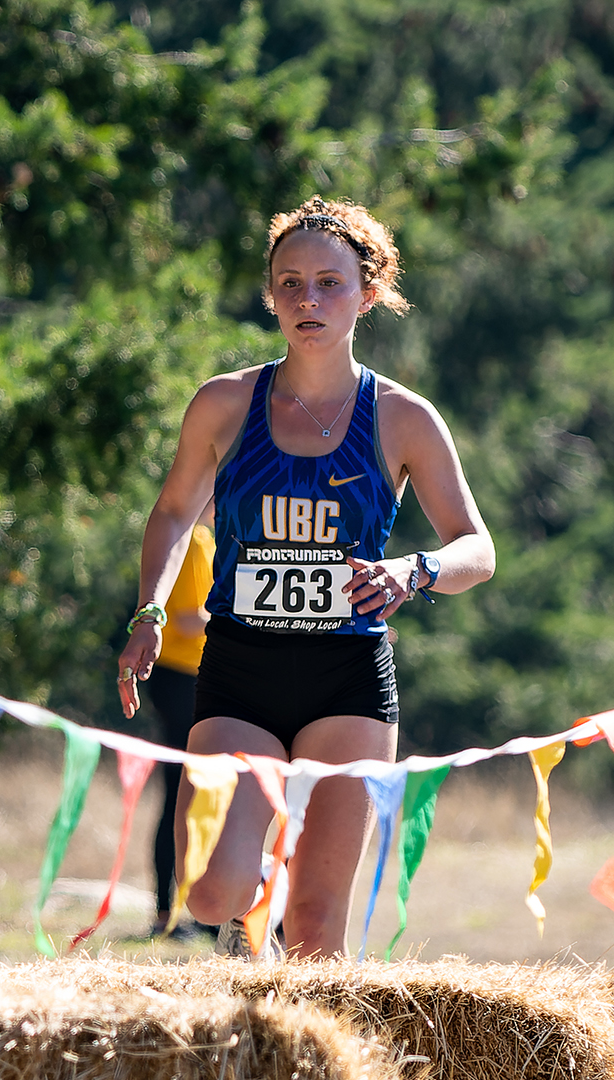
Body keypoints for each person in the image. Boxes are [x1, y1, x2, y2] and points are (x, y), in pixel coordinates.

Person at [115, 196, 494, 959]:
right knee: (211, 893)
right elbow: (173, 514)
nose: (307, 300)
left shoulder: (402, 416)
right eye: (289, 283)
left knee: (321, 931)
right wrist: (148, 613)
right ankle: (264, 883)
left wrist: (411, 570)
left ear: (370, 290)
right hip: (239, 669)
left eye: (329, 282)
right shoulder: (224, 403)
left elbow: (475, 548)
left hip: (348, 677)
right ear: (270, 294)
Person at [140, 498, 215, 940]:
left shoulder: (208, 542)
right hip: (180, 678)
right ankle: (168, 910)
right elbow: (187, 620)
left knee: (196, 794)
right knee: (180, 794)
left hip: (194, 678)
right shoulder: (191, 543)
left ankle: (196, 908)